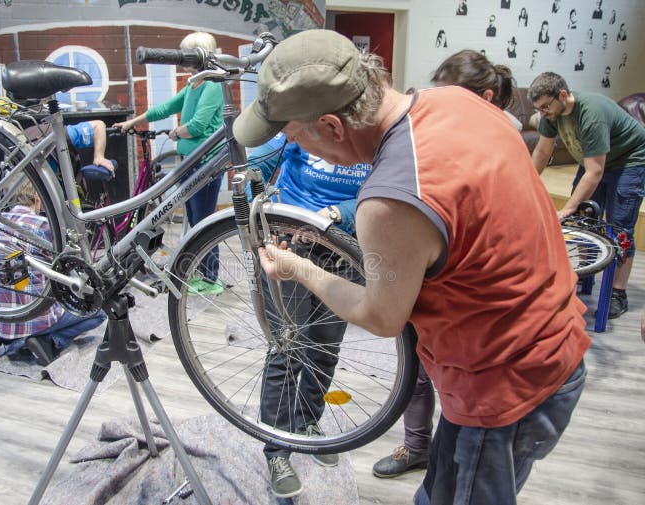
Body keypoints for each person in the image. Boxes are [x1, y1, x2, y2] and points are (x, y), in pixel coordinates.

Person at [234, 29, 589, 505]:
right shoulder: (457, 102)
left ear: (333, 126)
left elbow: (382, 317)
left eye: (296, 137)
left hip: (502, 384)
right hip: (552, 347)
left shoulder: (388, 202)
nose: (301, 149)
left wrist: (297, 267)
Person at [370, 48, 524, 480]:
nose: (435, 106)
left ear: (485, 97)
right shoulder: (431, 130)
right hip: (431, 271)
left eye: (448, 95)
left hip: (473, 311)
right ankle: (418, 446)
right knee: (417, 367)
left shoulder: (500, 132)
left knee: (447, 378)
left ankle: (436, 446)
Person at [248, 133, 370, 497]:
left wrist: (336, 214)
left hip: (343, 248)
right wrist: (258, 194)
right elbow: (257, 166)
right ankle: (277, 448)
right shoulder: (303, 129)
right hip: (291, 244)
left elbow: (378, 192)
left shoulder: (371, 138)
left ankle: (307, 422)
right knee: (286, 349)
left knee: (325, 348)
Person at [114, 31, 224, 295]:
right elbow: (164, 108)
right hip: (190, 162)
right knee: (194, 218)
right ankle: (199, 273)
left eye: (187, 52)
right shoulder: (194, 85)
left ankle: (211, 279)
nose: (182, 57)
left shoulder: (213, 85)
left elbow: (197, 125)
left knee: (203, 222)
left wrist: (176, 132)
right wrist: (133, 122)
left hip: (206, 164)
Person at [529, 72, 645, 318]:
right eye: (539, 108)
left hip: (630, 161)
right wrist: (526, 182)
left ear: (563, 95)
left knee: (620, 228)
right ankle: (586, 274)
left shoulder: (591, 115)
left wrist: (568, 208)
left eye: (546, 106)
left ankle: (617, 294)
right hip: (594, 158)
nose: (543, 112)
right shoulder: (551, 113)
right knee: (584, 221)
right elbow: (541, 151)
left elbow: (595, 172)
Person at [0, 180, 107, 365]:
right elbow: (71, 269)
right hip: (34, 318)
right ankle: (49, 342)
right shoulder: (42, 226)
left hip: (2, 316)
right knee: (99, 311)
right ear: (38, 197)